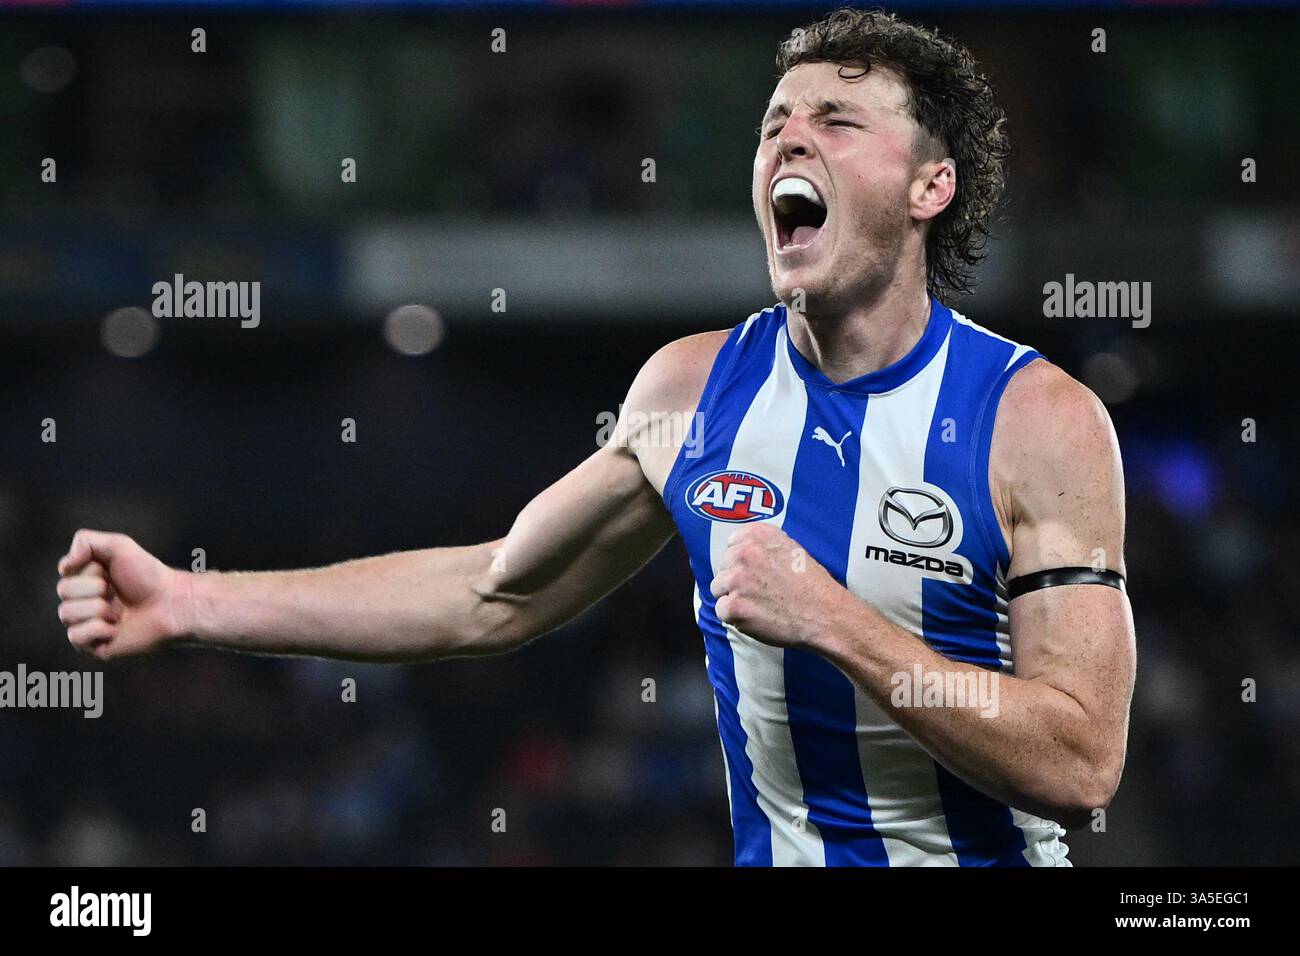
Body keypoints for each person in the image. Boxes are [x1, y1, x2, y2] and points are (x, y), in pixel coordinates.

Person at [56, 7, 1135, 866]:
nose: (788, 137)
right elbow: (492, 590)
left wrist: (832, 620)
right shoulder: (689, 389)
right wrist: (195, 601)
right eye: (774, 124)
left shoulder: (1037, 421)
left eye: (836, 122)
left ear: (927, 185)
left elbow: (1080, 763)